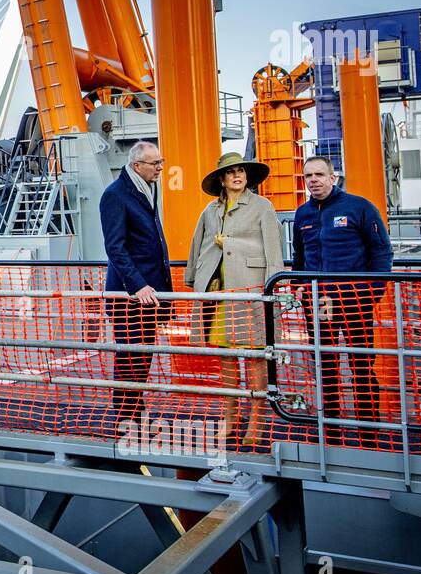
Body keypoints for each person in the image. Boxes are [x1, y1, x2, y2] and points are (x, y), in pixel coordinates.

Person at [183, 153, 286, 450]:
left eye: (241, 171)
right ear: (222, 180)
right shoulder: (209, 210)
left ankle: (258, 421)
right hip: (219, 293)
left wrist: (273, 287)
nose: (237, 176)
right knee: (226, 359)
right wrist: (194, 278)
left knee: (255, 358)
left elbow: (273, 250)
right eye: (231, 173)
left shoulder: (263, 207)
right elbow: (197, 246)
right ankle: (230, 418)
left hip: (250, 293)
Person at [292, 155, 394, 447]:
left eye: (320, 175)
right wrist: (300, 285)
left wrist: (372, 292)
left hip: (355, 301)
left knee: (361, 365)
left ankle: (368, 431)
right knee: (325, 366)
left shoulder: (359, 207)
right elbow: (301, 256)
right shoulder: (303, 214)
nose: (314, 180)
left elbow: (381, 252)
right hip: (317, 303)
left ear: (333, 177)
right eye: (308, 175)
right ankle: (331, 430)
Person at [99, 140, 172, 428]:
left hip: (148, 296)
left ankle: (136, 412)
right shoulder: (116, 195)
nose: (161, 167)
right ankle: (125, 418)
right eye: (155, 163)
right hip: (131, 297)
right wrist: (137, 285)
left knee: (142, 358)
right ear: (136, 165)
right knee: (130, 358)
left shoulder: (145, 190)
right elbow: (115, 247)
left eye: (161, 161)